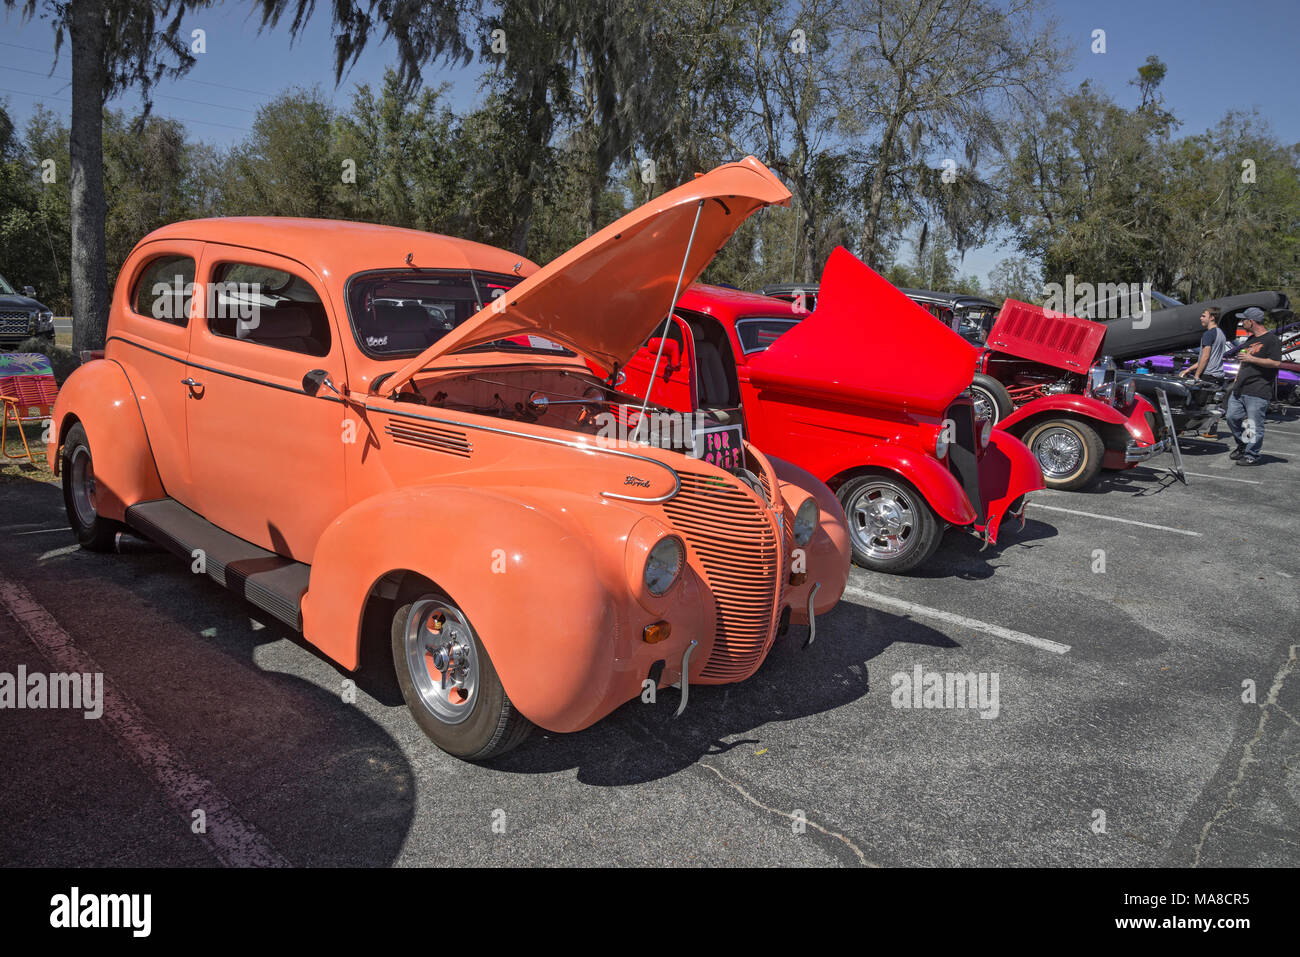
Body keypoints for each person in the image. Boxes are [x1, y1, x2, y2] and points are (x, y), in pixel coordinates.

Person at [1224, 307, 1283, 466]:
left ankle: (1252, 454)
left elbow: (1276, 362)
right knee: (1231, 417)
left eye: (1244, 320)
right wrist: (1237, 377)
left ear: (1252, 321)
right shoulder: (1250, 340)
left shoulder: (1272, 340)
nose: (1242, 323)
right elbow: (1244, 362)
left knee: (1254, 424)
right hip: (1240, 388)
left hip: (1258, 390)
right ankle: (1243, 444)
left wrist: (1251, 359)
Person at [1179, 307, 1227, 383]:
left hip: (1208, 376)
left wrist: (1196, 375)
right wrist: (1188, 370)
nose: (1201, 318)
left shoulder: (1208, 334)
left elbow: (1205, 357)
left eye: (1203, 316)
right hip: (1219, 376)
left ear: (1212, 318)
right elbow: (1204, 360)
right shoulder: (1221, 333)